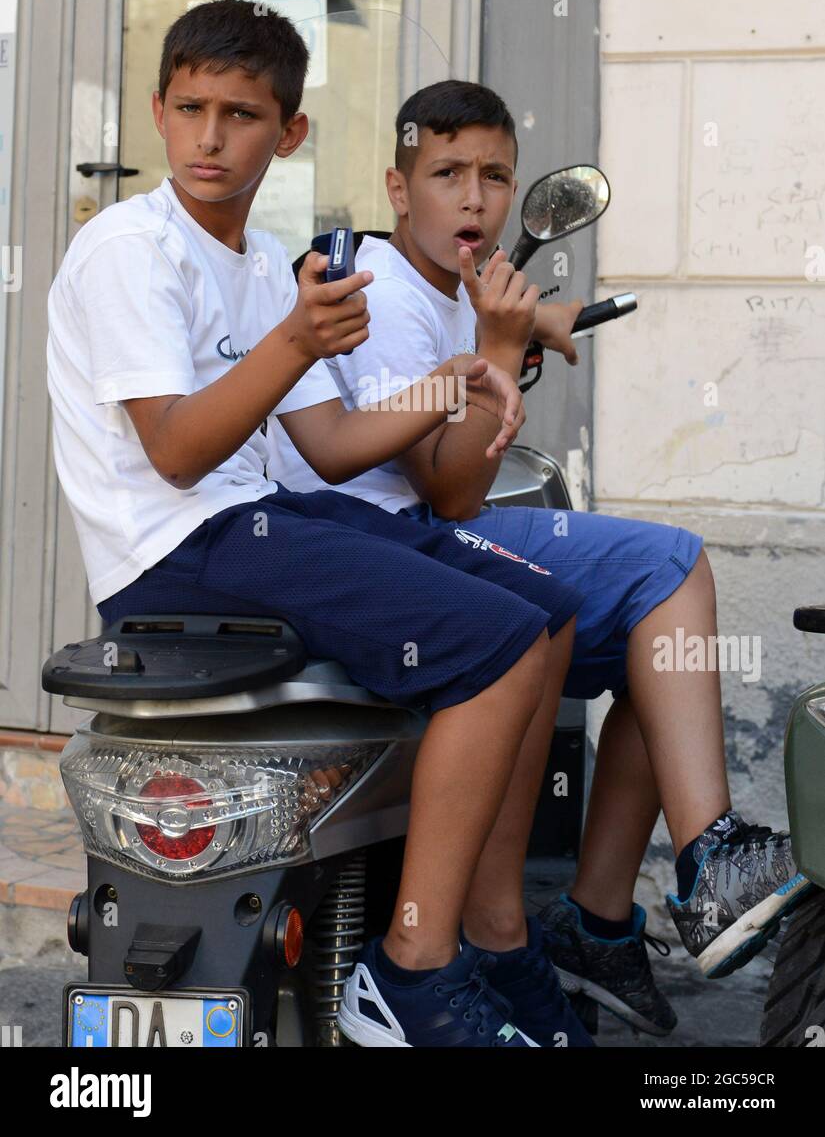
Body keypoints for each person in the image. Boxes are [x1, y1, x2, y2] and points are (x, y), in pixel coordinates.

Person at [45, 0, 600, 1049]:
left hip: (258, 521)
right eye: (193, 109)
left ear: (289, 133)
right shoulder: (130, 248)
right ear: (158, 112)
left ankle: (490, 926)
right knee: (498, 643)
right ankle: (414, 964)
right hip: (175, 554)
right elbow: (177, 451)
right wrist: (297, 340)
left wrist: (453, 381)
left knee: (551, 612)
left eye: (244, 114)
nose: (213, 138)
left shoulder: (257, 261)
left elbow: (336, 442)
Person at [274, 77, 814, 1038]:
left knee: (664, 656)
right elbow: (451, 492)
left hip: (412, 536)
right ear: (399, 192)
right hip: (394, 541)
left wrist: (512, 335)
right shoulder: (385, 294)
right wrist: (495, 341)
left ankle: (602, 921)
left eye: (494, 176)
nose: (474, 199)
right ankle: (702, 864)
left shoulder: (442, 288)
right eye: (445, 174)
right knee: (670, 566)